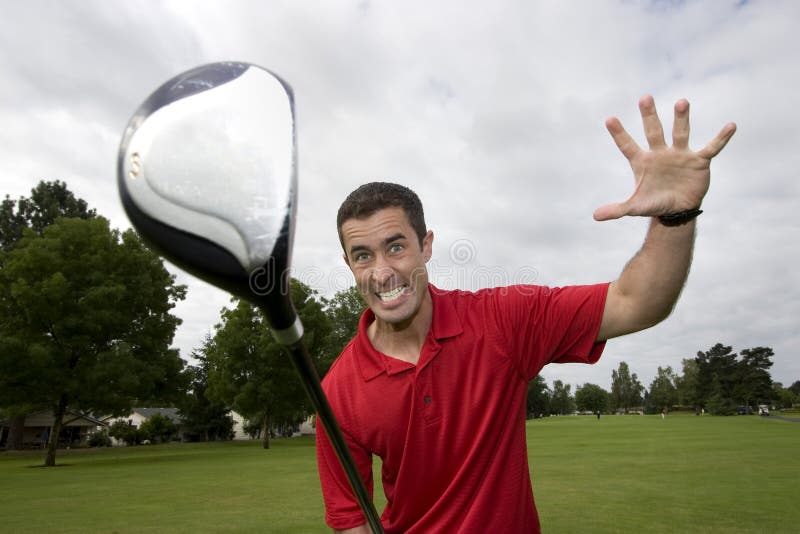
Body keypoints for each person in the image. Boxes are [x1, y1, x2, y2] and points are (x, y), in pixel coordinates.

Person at [316, 95, 736, 533]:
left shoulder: (502, 321)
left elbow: (636, 303)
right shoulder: (338, 391)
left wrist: (676, 216)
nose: (382, 272)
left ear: (426, 246)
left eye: (396, 247)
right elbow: (351, 520)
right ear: (349, 265)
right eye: (363, 255)